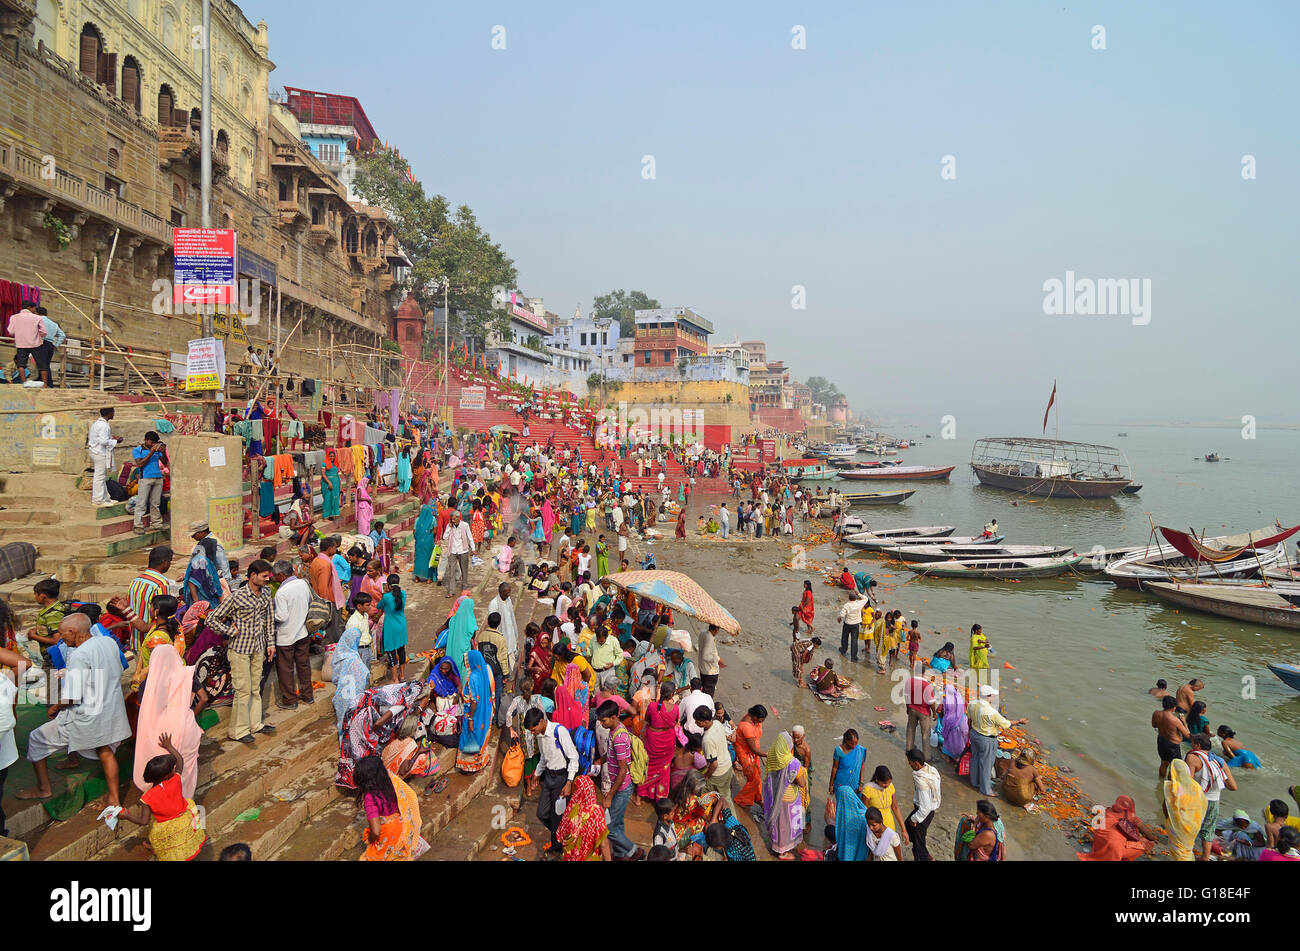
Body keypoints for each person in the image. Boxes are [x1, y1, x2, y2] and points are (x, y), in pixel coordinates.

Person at [18, 614, 132, 806]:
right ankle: (114, 799)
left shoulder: (79, 655)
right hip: (109, 709)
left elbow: (73, 696)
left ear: (73, 632)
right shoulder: (107, 642)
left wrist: (55, 707)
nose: (61, 639)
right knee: (105, 750)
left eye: (63, 635)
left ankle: (43, 789)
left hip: (85, 715)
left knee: (36, 739)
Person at [204, 559, 276, 745]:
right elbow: (211, 618)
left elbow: (268, 620)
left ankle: (256, 724)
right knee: (243, 690)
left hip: (259, 647)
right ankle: (238, 730)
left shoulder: (266, 593)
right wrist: (229, 631)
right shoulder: (237, 596)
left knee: (255, 687)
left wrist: (271, 644)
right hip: (240, 649)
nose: (268, 579)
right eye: (264, 576)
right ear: (253, 576)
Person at [115, 734, 208, 861]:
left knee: (168, 847)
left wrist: (127, 815)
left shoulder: (146, 798)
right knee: (182, 843)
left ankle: (155, 848)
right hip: (184, 819)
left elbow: (144, 821)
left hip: (166, 827)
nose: (174, 768)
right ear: (165, 776)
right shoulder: (175, 780)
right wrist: (169, 747)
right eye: (172, 768)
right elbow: (180, 760)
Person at [525, 707, 579, 858]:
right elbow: (543, 756)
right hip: (549, 776)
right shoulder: (539, 735)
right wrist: (537, 773)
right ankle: (562, 836)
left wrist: (569, 782)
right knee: (542, 813)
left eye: (533, 729)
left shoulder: (559, 731)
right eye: (531, 730)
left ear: (541, 721)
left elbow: (573, 757)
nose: (532, 732)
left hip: (562, 778)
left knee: (557, 816)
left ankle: (557, 847)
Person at [595, 700, 644, 860]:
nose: (601, 724)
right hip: (620, 785)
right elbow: (611, 754)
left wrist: (609, 795)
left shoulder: (619, 738)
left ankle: (634, 850)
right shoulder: (614, 730)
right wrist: (600, 761)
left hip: (622, 787)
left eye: (604, 720)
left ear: (614, 717)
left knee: (609, 826)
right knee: (617, 822)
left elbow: (623, 770)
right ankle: (623, 853)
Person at [355, 754, 426, 861]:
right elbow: (409, 795)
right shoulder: (391, 780)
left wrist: (370, 840)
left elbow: (376, 831)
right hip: (403, 825)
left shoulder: (370, 798)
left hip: (389, 833)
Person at [967, 685, 1027, 796]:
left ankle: (974, 781)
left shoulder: (972, 704)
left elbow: (969, 720)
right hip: (986, 739)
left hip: (974, 734)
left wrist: (969, 733)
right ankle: (985, 790)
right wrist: (1019, 721)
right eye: (992, 696)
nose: (993, 698)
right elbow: (1006, 724)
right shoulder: (991, 712)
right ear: (988, 697)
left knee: (975, 758)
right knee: (986, 764)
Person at [1186, 733, 1236, 861]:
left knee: (1190, 826)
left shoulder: (1192, 757)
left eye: (1193, 744)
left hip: (1198, 799)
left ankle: (1186, 852)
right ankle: (1205, 857)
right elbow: (1233, 786)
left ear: (1197, 745)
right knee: (1208, 829)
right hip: (1214, 800)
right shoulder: (1219, 761)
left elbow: (1188, 781)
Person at [272, 560, 313, 709]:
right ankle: (308, 695)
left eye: (275, 575)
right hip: (302, 632)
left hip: (286, 636)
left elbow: (281, 617)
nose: (274, 578)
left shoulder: (281, 593)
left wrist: (270, 615)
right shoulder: (303, 584)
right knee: (303, 665)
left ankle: (290, 700)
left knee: (285, 669)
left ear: (282, 575)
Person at [761, 732, 807, 859]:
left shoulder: (772, 755)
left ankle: (776, 845)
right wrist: (802, 771)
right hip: (788, 798)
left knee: (777, 821)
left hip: (774, 794)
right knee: (786, 824)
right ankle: (783, 852)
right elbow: (802, 783)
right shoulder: (793, 763)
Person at [1077, 795, 1158, 861]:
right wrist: (1153, 838)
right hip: (1115, 849)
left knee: (1113, 837)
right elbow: (1149, 835)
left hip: (1099, 845)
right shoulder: (1131, 816)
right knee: (1146, 844)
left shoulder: (1107, 810)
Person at [456, 650, 495, 773]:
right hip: (486, 709)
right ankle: (482, 760)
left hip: (473, 712)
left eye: (466, 662)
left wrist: (471, 719)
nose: (466, 664)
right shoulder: (486, 669)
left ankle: (470, 765)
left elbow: (474, 701)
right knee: (481, 735)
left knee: (470, 736)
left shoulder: (473, 677)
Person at [1162, 757, 1207, 861]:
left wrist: (1171, 822)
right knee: (1186, 849)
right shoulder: (1195, 786)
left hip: (1178, 826)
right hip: (1193, 825)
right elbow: (1203, 803)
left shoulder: (1173, 788)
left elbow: (1166, 808)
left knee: (1178, 851)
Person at [695, 704, 735, 812]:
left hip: (719, 773)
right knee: (726, 794)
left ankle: (732, 822)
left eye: (697, 721)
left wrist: (706, 776)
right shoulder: (717, 723)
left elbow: (714, 764)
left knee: (712, 794)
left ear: (705, 721)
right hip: (728, 766)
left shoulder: (707, 739)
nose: (696, 723)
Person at [905, 747, 942, 861]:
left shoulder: (921, 780)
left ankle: (925, 857)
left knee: (918, 841)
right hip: (930, 809)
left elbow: (924, 807)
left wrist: (915, 819)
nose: (909, 764)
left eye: (910, 762)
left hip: (923, 812)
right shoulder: (932, 770)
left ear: (916, 763)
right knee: (912, 832)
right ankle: (926, 855)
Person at [130, 431, 168, 532]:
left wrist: (163, 451)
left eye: (155, 443)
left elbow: (164, 462)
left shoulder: (157, 450)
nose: (153, 445)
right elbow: (140, 464)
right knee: (141, 503)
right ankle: (138, 525)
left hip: (158, 478)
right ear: (146, 440)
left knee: (155, 503)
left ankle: (156, 523)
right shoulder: (138, 450)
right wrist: (151, 452)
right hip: (145, 478)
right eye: (151, 442)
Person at [732, 704, 766, 810]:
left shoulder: (752, 718)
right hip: (746, 754)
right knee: (754, 779)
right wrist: (768, 755)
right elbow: (753, 749)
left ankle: (758, 799)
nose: (761, 723)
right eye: (760, 720)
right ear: (755, 716)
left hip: (753, 753)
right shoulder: (747, 727)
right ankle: (741, 800)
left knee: (757, 776)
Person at [376, 574, 409, 682]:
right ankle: (403, 675)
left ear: (388, 585)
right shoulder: (403, 594)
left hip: (390, 627)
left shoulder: (386, 597)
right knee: (401, 650)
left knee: (391, 652)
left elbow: (378, 606)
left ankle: (395, 678)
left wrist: (385, 593)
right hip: (401, 625)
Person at [1151, 695, 1190, 778]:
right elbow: (1187, 735)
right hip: (1173, 746)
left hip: (1161, 740)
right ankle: (1170, 784)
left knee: (1164, 763)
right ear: (1174, 707)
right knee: (1174, 767)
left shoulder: (1156, 713)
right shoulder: (1175, 720)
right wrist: (1184, 722)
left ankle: (1161, 781)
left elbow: (1154, 725)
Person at [87, 407, 120, 506]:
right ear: (109, 413)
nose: (114, 414)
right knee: (99, 477)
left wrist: (111, 438)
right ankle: (98, 500)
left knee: (102, 476)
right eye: (113, 412)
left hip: (96, 451)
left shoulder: (98, 423)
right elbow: (103, 441)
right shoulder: (103, 425)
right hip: (99, 452)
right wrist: (116, 441)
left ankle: (106, 498)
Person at [486, 582, 519, 681]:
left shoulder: (508, 600)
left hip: (510, 634)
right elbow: (492, 622)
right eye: (506, 592)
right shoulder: (494, 604)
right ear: (500, 592)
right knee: (502, 658)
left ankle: (511, 678)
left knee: (511, 656)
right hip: (500, 635)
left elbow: (511, 617)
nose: (508, 594)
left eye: (509, 592)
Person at [904, 669, 938, 761]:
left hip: (912, 708)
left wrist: (907, 707)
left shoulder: (909, 681)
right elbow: (931, 702)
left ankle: (908, 749)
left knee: (910, 729)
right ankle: (927, 757)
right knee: (925, 734)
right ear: (924, 673)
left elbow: (906, 696)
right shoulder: (926, 685)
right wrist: (934, 713)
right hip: (924, 711)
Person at [441, 510, 474, 594]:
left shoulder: (465, 525)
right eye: (451, 519)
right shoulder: (450, 526)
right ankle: (451, 591)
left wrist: (473, 549)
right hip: (452, 551)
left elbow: (470, 537)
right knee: (451, 571)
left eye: (454, 519)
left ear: (459, 518)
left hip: (463, 550)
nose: (453, 521)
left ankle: (465, 588)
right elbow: (445, 537)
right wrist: (448, 527)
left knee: (464, 571)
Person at [837, 590, 867, 662]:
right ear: (855, 598)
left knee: (844, 638)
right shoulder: (859, 603)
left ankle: (843, 650)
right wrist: (859, 594)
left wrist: (839, 618)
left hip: (847, 624)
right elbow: (866, 599)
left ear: (849, 598)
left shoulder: (847, 605)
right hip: (855, 624)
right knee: (854, 641)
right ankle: (853, 657)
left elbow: (842, 614)